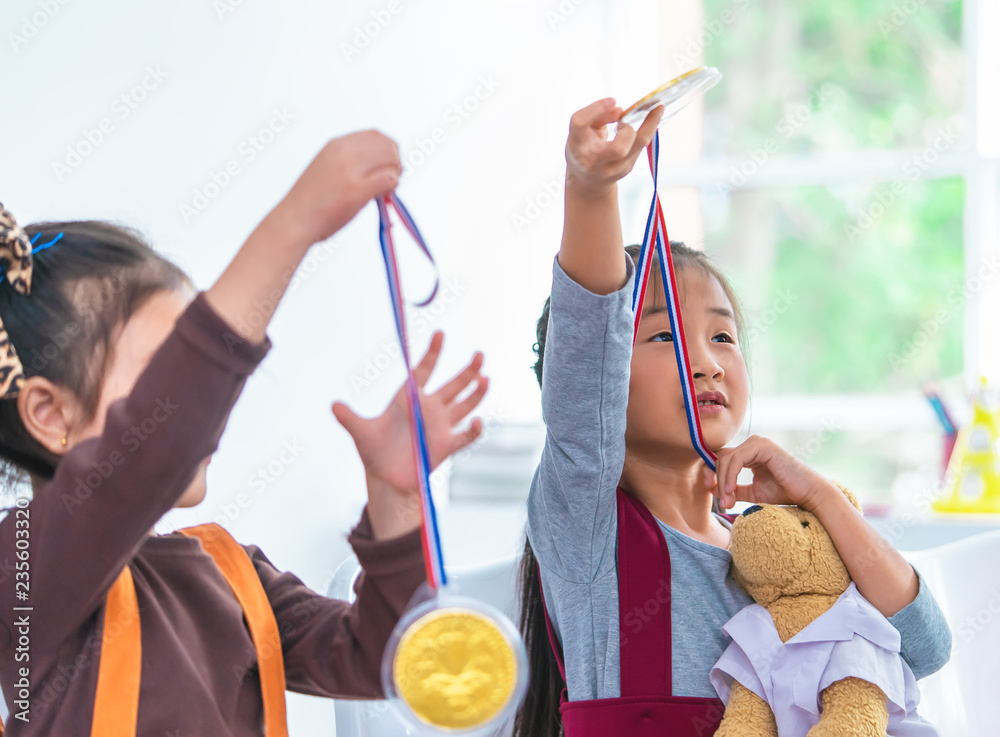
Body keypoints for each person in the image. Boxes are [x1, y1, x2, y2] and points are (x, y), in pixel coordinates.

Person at [0, 130, 489, 735]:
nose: (208, 404)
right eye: (168, 374)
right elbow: (147, 455)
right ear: (50, 415)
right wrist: (294, 225)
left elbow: (386, 658)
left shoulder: (230, 571)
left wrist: (396, 496)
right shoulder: (23, 569)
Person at [515, 100, 952, 737]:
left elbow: (925, 646)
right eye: (664, 340)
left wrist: (822, 497)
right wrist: (591, 188)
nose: (707, 364)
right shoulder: (586, 519)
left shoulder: (770, 551)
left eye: (723, 338)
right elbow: (585, 363)